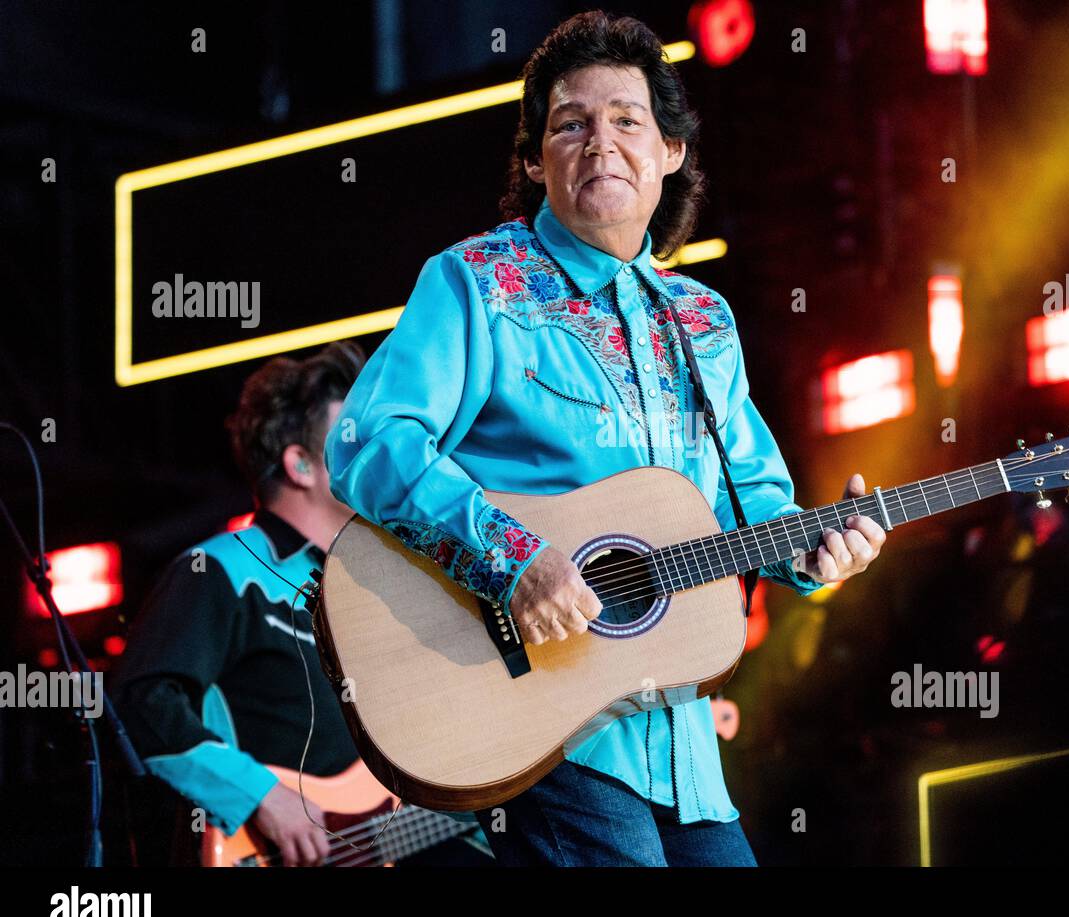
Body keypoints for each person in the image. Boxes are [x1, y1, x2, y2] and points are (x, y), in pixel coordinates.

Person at [325, 11, 885, 866]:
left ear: (672, 153)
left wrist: (818, 554)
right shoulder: (476, 281)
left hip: (686, 753)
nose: (600, 142)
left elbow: (759, 508)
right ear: (532, 160)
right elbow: (367, 441)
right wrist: (515, 557)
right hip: (544, 729)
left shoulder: (705, 320)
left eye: (627, 120)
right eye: (570, 124)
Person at [110, 342, 493, 866]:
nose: (375, 452)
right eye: (354, 436)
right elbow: (140, 699)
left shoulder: (384, 588)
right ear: (300, 464)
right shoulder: (221, 569)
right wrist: (260, 797)